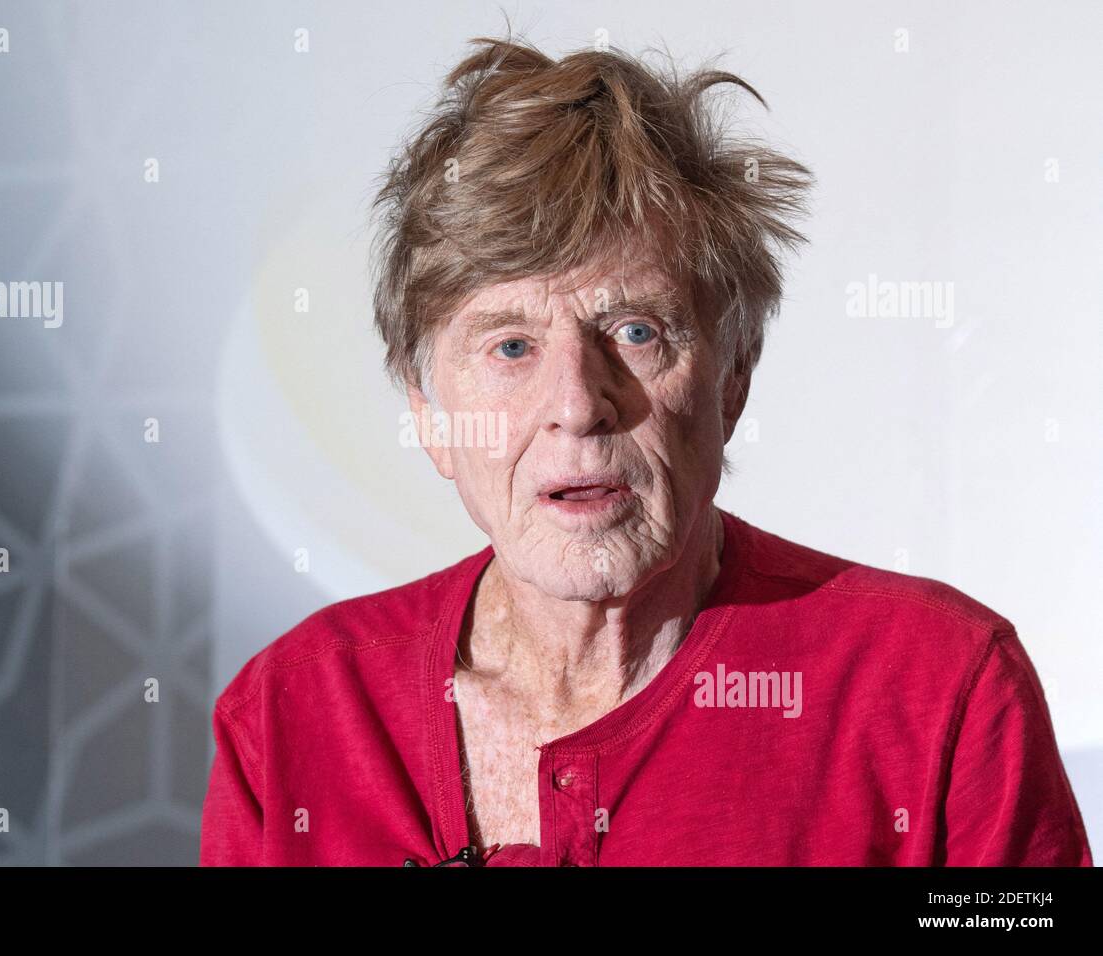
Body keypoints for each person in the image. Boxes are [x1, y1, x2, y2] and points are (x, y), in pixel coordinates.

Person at [201, 36, 1092, 866]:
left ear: (733, 376)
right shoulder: (293, 718)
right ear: (428, 412)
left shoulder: (939, 690)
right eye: (510, 346)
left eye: (635, 331)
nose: (579, 406)